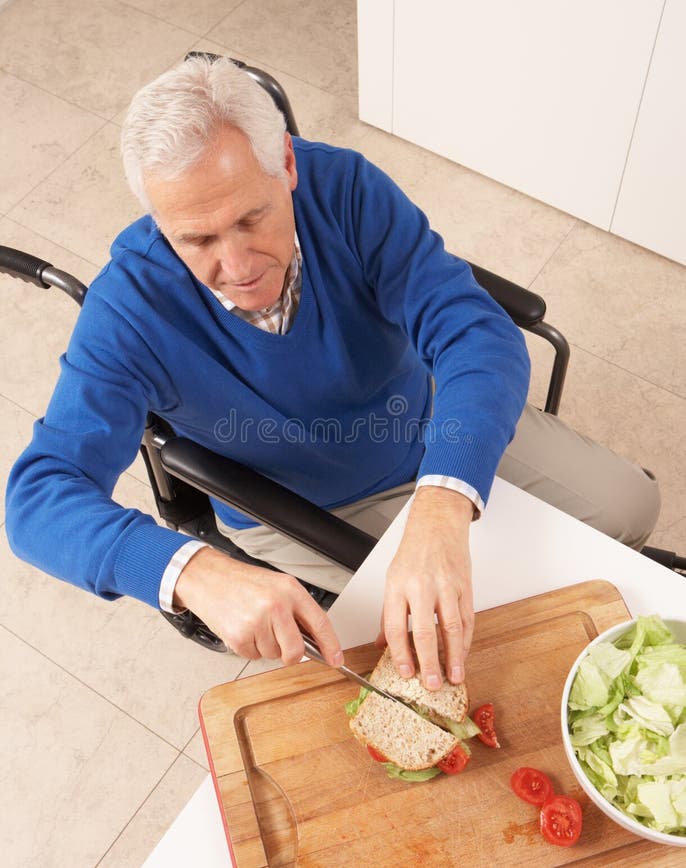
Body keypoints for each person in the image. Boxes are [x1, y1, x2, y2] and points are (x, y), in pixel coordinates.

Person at [5, 56, 660, 691]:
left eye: (250, 218)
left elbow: (475, 330)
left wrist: (442, 499)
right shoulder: (131, 306)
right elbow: (38, 498)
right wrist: (190, 570)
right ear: (159, 220)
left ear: (287, 164)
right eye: (196, 240)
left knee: (635, 506)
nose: (235, 267)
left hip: (425, 426)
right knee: (476, 643)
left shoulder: (344, 190)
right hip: (302, 505)